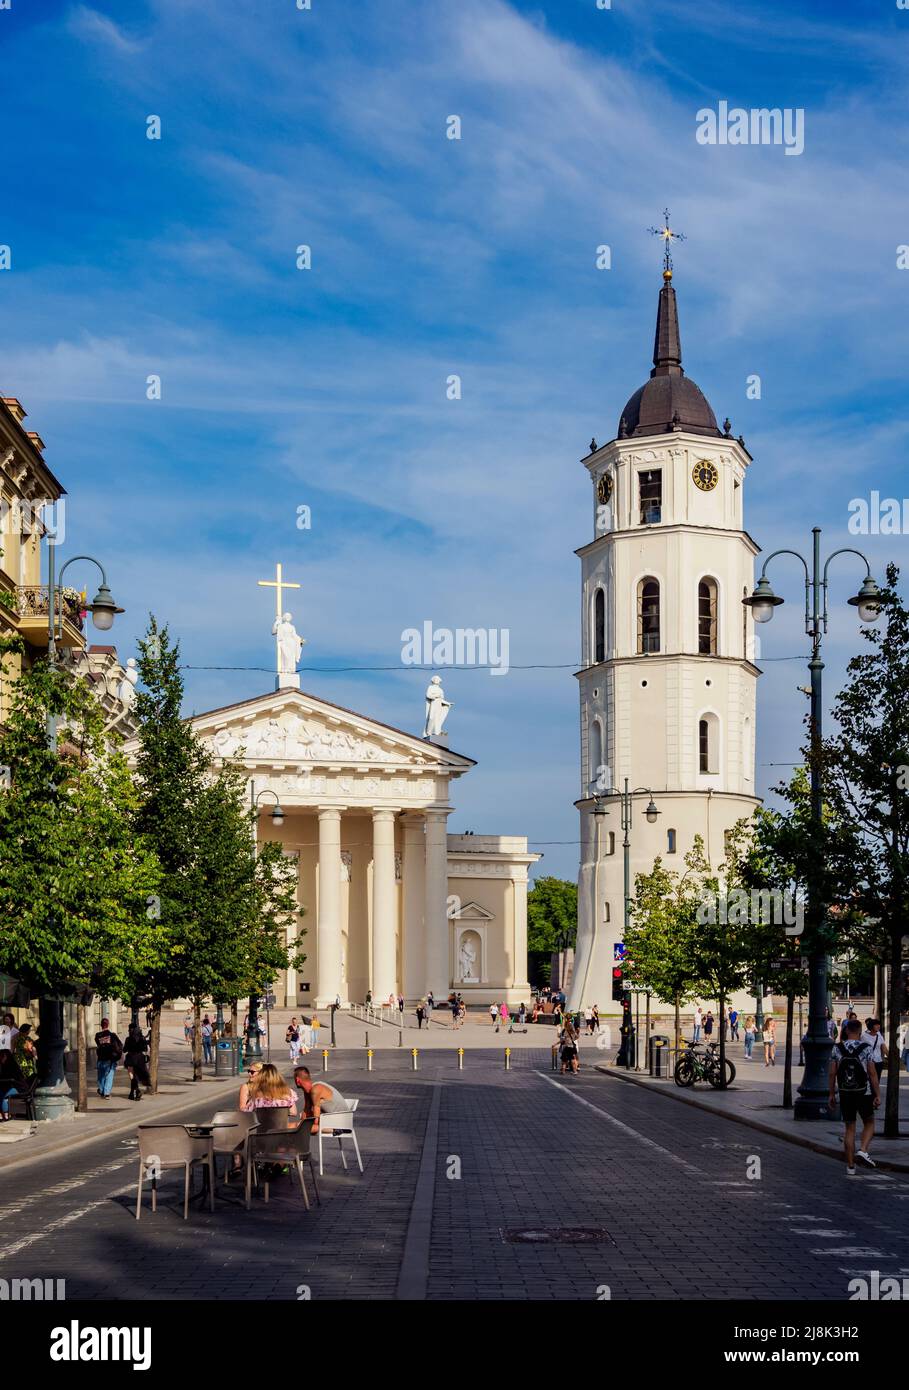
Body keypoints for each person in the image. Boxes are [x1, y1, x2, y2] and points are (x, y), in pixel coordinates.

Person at [829, 1018, 880, 1175]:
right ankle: (863, 1150)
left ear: (845, 1030)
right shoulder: (866, 1048)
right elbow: (872, 1073)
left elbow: (832, 1073)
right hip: (864, 1092)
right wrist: (877, 1094)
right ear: (859, 1031)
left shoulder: (837, 1048)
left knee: (849, 1128)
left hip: (845, 1093)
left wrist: (831, 1093)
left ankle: (850, 1167)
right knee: (869, 1122)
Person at [293, 1065, 349, 1133]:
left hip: (342, 1122)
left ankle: (333, 1130)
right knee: (298, 1126)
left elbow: (316, 1116)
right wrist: (302, 1123)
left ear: (297, 1080)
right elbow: (306, 1110)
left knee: (294, 1127)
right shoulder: (308, 1091)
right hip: (333, 1118)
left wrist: (303, 1127)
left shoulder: (316, 1089)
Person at [94, 1017, 123, 1098]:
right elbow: (120, 1045)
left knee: (101, 1076)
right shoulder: (112, 1035)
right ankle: (106, 1093)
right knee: (109, 1076)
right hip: (110, 1059)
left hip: (100, 1059)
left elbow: (98, 1044)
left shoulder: (97, 1036)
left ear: (101, 1025)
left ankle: (101, 1089)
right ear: (108, 1024)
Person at [123, 1023, 151, 1102]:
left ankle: (137, 1091)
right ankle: (132, 1093)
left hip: (131, 1058)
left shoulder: (128, 1039)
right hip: (140, 1059)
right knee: (136, 1077)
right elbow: (145, 1049)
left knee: (132, 1077)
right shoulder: (142, 1038)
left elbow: (124, 1050)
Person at [0, 1048, 25, 1120]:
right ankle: (4, 1114)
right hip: (15, 1087)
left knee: (1, 1095)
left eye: (1, 1056)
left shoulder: (10, 1066)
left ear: (5, 1056)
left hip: (17, 1088)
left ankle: (4, 1114)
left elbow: (7, 1080)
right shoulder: (9, 1065)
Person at [861, 1018, 888, 1083]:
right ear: (871, 1026)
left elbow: (884, 1048)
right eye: (876, 1025)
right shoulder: (863, 1036)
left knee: (877, 1080)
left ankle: (875, 1093)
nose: (878, 1026)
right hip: (868, 1062)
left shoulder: (879, 1035)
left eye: (879, 1024)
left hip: (878, 1062)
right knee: (869, 1080)